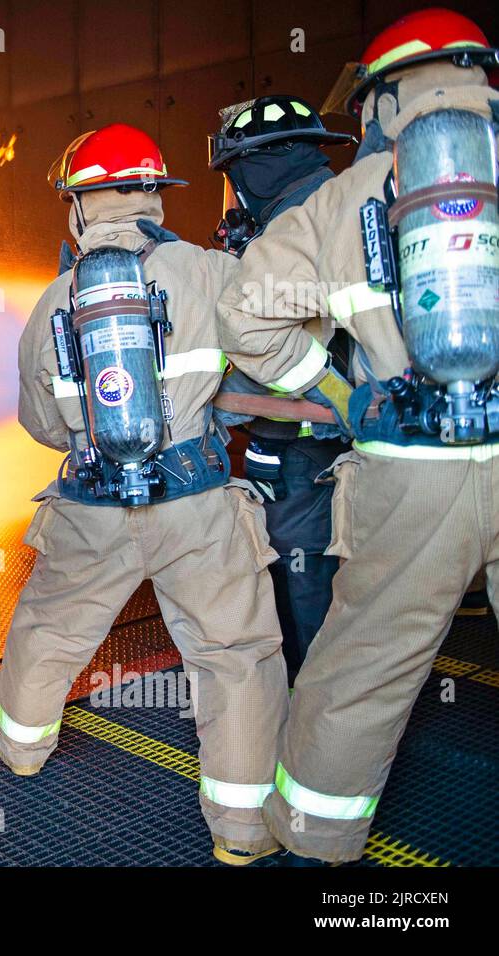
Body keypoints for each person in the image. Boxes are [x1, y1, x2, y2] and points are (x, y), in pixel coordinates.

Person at [216, 7, 499, 863]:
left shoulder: (342, 204)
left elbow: (243, 315)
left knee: (361, 670)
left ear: (380, 101)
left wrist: (341, 393)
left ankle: (315, 839)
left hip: (413, 469)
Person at [0, 123, 289, 865]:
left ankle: (21, 754)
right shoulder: (212, 272)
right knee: (232, 656)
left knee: (50, 632)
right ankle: (242, 832)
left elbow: (39, 423)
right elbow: (265, 367)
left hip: (93, 506)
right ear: (155, 192)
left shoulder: (53, 301)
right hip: (196, 501)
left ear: (78, 205)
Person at [208, 95, 357, 681]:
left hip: (305, 449)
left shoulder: (292, 229)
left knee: (303, 583)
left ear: (255, 167)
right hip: (346, 443)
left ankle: (311, 713)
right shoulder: (343, 204)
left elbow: (255, 336)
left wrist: (208, 393)